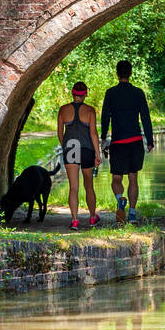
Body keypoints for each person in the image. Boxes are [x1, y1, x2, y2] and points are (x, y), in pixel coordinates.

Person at [100, 60, 154, 224]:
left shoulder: (110, 93)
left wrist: (104, 137)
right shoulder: (138, 93)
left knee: (116, 179)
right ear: (130, 74)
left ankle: (119, 199)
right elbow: (145, 117)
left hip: (118, 142)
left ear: (117, 73)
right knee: (133, 178)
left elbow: (105, 117)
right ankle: (131, 213)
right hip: (135, 141)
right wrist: (149, 140)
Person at [57, 81, 102, 230]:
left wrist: (66, 146)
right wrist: (97, 153)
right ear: (85, 94)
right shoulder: (90, 110)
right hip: (87, 149)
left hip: (71, 147)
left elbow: (59, 133)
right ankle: (92, 217)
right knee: (89, 185)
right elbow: (93, 133)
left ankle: (75, 220)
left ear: (72, 92)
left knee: (73, 187)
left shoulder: (63, 110)